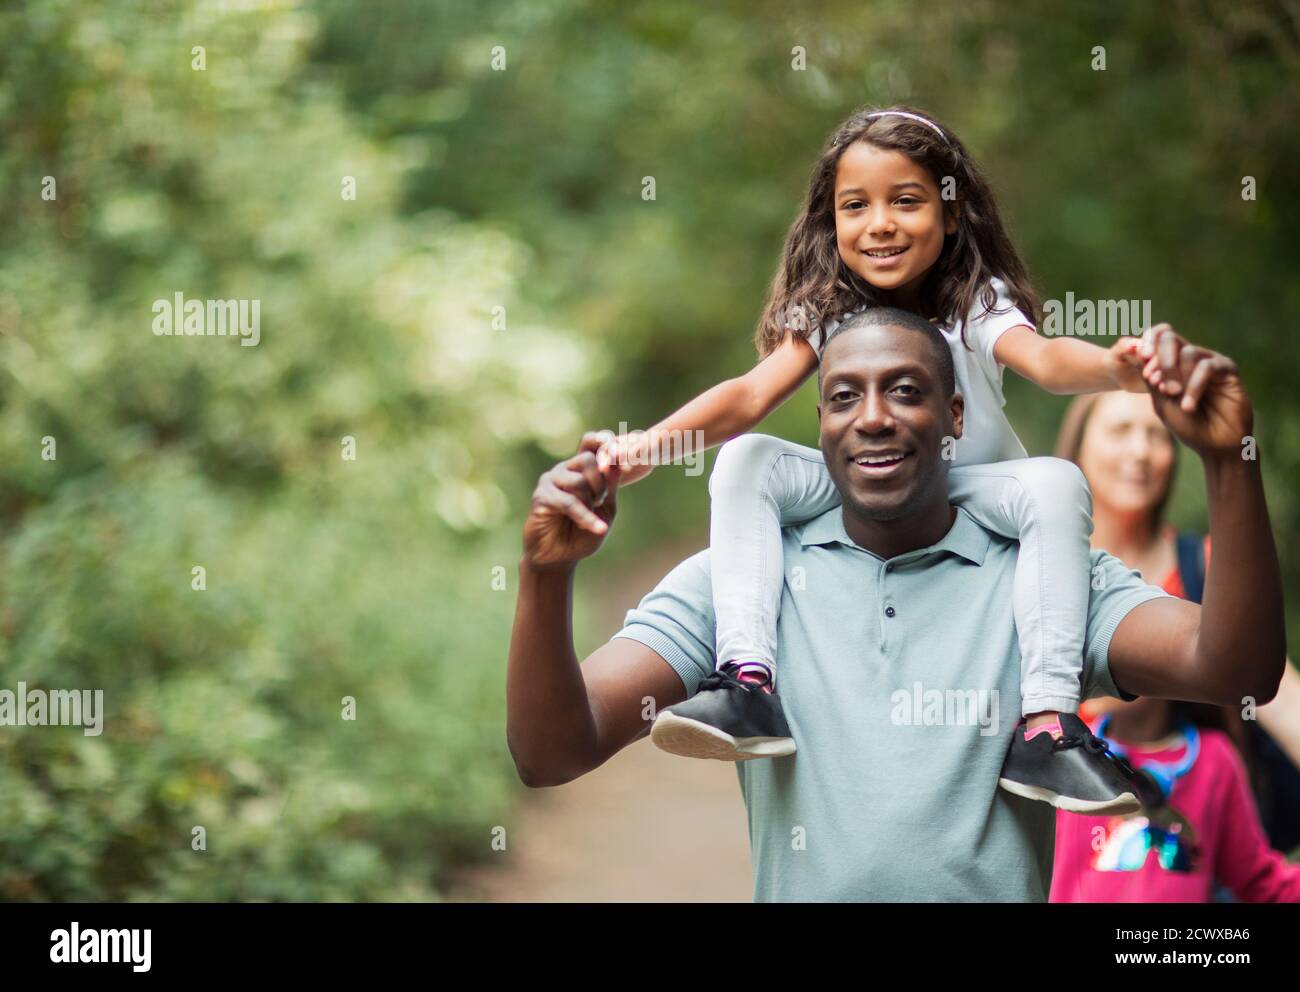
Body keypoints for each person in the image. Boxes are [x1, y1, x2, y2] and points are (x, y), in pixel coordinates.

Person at [505, 316, 1286, 901]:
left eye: (905, 391)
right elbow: (553, 753)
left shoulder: (1045, 579)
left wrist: (1228, 461)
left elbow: (1235, 668)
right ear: (820, 426)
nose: (872, 415)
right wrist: (544, 578)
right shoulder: (742, 578)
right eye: (844, 396)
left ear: (954, 417)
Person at [594, 104, 1161, 816]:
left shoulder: (973, 302)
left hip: (973, 487)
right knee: (745, 462)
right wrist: (649, 445)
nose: (881, 223)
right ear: (831, 223)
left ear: (952, 215)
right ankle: (746, 683)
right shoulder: (827, 307)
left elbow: (1046, 361)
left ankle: (1047, 724)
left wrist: (1119, 366)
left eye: (907, 201)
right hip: (863, 483)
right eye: (855, 206)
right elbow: (748, 396)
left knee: (1055, 482)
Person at [1045, 390, 1300, 900]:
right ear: (1076, 449)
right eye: (1120, 430)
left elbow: (1282, 701)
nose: (1140, 450)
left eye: (1157, 434)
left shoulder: (1204, 568)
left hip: (1196, 839)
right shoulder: (1038, 569)